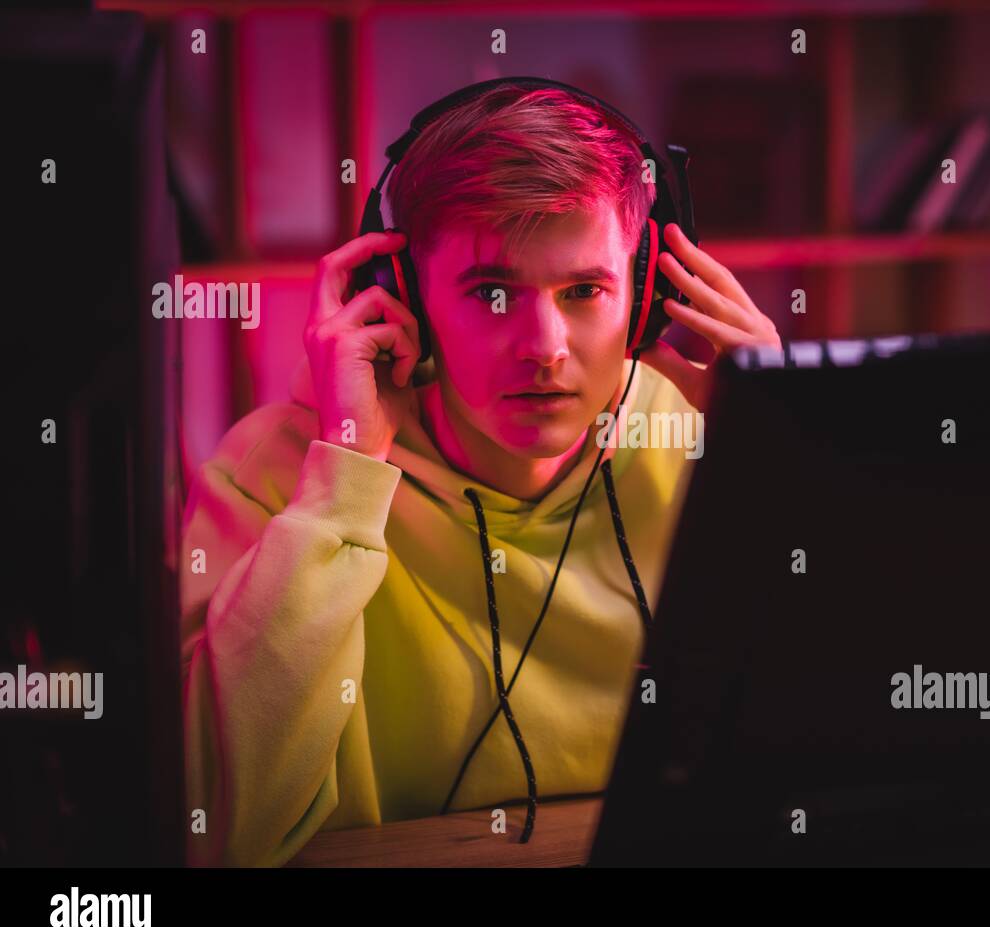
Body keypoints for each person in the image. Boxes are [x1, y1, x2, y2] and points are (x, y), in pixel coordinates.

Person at [180, 83, 781, 867]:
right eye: (493, 292)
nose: (544, 346)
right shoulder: (277, 475)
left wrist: (782, 446)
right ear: (404, 297)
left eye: (585, 290)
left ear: (646, 299)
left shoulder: (699, 445)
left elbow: (866, 761)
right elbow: (208, 833)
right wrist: (347, 480)